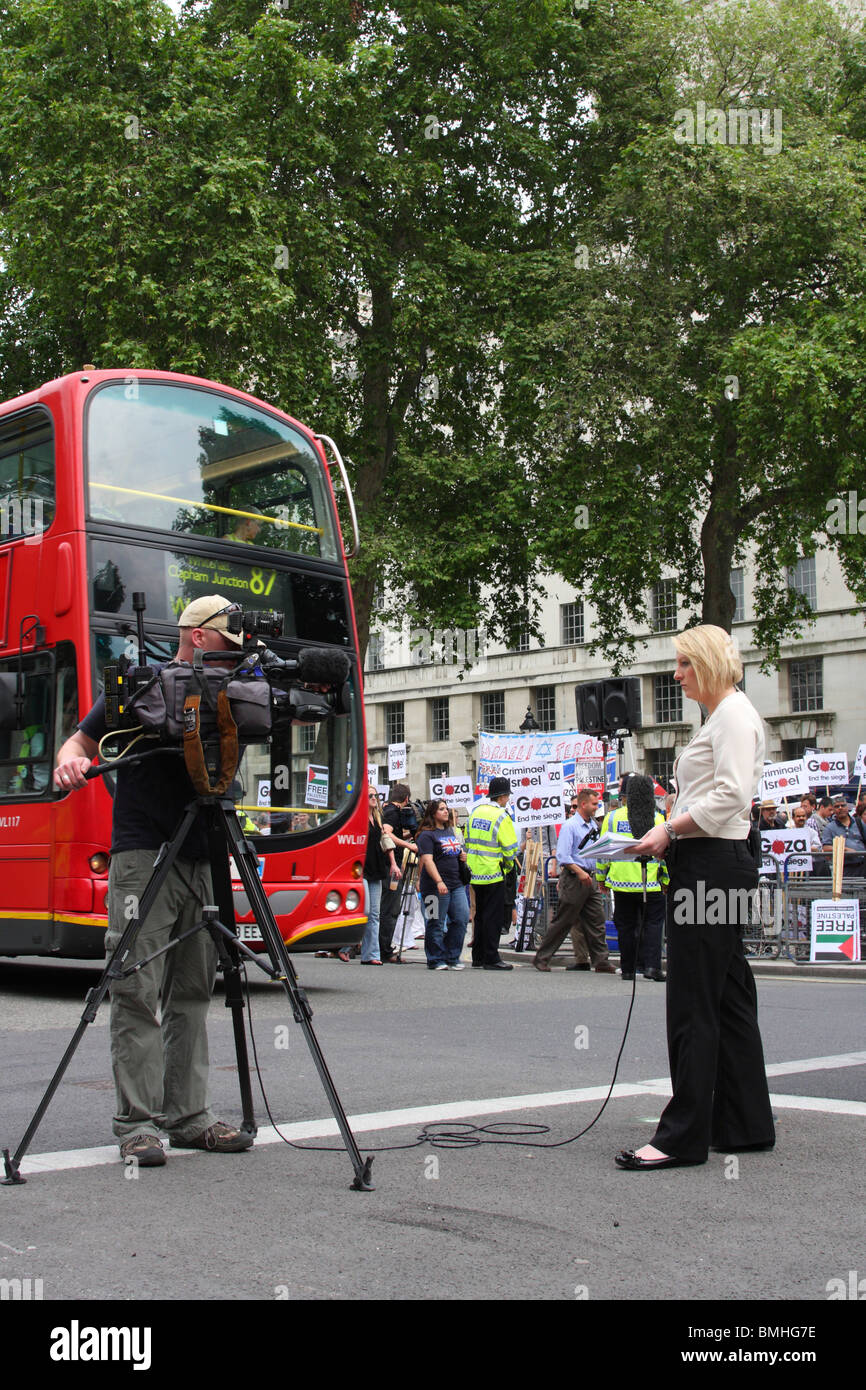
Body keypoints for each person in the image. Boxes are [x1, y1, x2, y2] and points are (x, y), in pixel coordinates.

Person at [53, 594, 257, 1167]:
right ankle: (137, 1126)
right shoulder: (144, 686)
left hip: (204, 849)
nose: (238, 649)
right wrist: (70, 762)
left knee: (193, 988)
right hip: (146, 851)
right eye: (227, 637)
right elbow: (79, 742)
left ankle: (189, 1117)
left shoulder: (238, 687)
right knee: (137, 988)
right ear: (196, 636)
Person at [616, 624, 774, 1171]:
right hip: (719, 865)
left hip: (709, 869)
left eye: (683, 663)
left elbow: (732, 795)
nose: (677, 673)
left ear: (705, 663)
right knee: (728, 998)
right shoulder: (731, 714)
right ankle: (744, 1123)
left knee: (692, 1001)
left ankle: (681, 1137)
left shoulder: (730, 716)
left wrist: (669, 831)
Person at [533, 787, 616, 974]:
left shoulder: (593, 825)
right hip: (575, 879)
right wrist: (579, 872)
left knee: (596, 921)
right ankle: (542, 957)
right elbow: (563, 856)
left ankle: (601, 960)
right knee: (564, 920)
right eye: (594, 804)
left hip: (590, 878)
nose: (596, 808)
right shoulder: (570, 826)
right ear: (583, 804)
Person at [595, 775, 668, 982]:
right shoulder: (657, 818)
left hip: (621, 882)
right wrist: (666, 881)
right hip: (651, 882)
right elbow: (664, 854)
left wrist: (601, 877)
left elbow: (603, 851)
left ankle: (627, 968)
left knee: (626, 926)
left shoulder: (612, 818)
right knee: (653, 925)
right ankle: (652, 966)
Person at [464, 777, 518, 970]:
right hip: (494, 872)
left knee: (479, 916)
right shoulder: (502, 816)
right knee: (492, 916)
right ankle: (491, 958)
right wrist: (508, 865)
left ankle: (477, 956)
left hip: (475, 872)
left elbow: (468, 842)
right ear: (503, 796)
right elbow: (511, 848)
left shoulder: (475, 813)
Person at [416, 799, 470, 970]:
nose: (446, 811)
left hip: (456, 884)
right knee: (435, 921)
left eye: (446, 808)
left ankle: (452, 956)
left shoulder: (449, 831)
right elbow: (427, 860)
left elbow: (453, 853)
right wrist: (438, 881)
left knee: (461, 918)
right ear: (433, 813)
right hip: (434, 887)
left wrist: (462, 856)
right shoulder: (426, 835)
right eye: (441, 809)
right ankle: (435, 958)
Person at [378, 783, 418, 962]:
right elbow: (387, 833)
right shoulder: (393, 812)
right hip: (390, 867)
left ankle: (381, 947)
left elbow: (394, 835)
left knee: (386, 908)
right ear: (406, 799)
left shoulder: (387, 809)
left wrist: (407, 837)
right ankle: (385, 949)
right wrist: (409, 845)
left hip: (387, 865)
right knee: (391, 908)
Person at [360, 785, 398, 965]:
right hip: (361, 869)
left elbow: (386, 841)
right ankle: (345, 946)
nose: (374, 798)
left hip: (376, 868)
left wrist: (393, 863)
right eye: (370, 795)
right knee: (364, 911)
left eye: (376, 795)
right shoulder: (358, 819)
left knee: (374, 913)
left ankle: (372, 954)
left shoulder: (378, 818)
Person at [821, 796, 866, 875]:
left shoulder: (859, 823)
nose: (840, 808)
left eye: (843, 805)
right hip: (843, 869)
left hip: (862, 866)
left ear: (847, 807)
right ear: (833, 810)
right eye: (837, 806)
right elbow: (826, 848)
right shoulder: (829, 828)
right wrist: (844, 849)